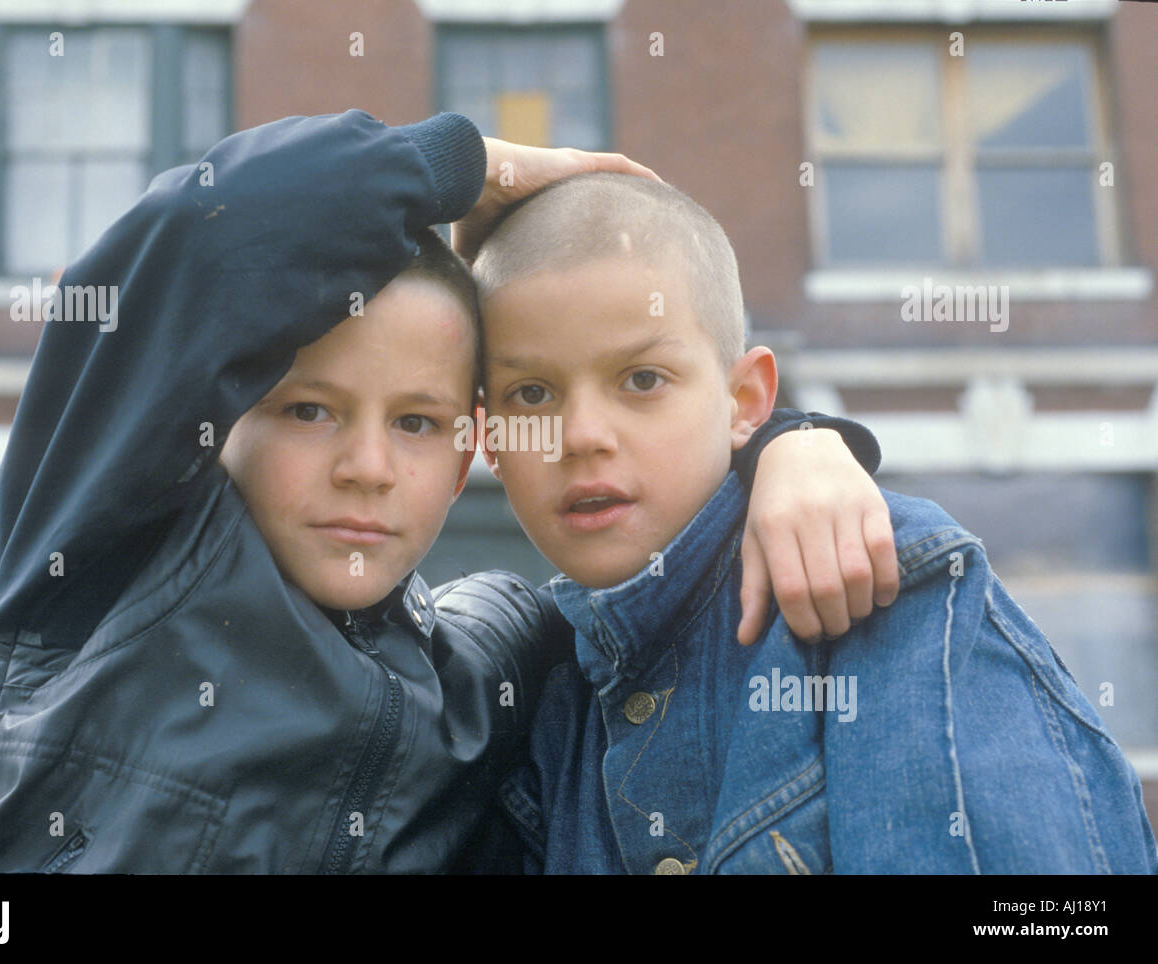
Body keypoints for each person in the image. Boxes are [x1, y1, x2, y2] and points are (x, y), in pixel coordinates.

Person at [0, 112, 890, 873]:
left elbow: (662, 563)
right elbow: (200, 239)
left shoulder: (484, 670)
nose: (368, 466)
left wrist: (791, 448)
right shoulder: (111, 556)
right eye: (309, 411)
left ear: (477, 442)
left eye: (416, 423)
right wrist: (470, 165)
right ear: (220, 419)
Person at [473, 171, 1158, 874]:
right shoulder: (528, 705)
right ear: (489, 437)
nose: (582, 434)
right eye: (532, 393)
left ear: (746, 401)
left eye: (643, 379)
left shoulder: (883, 586)